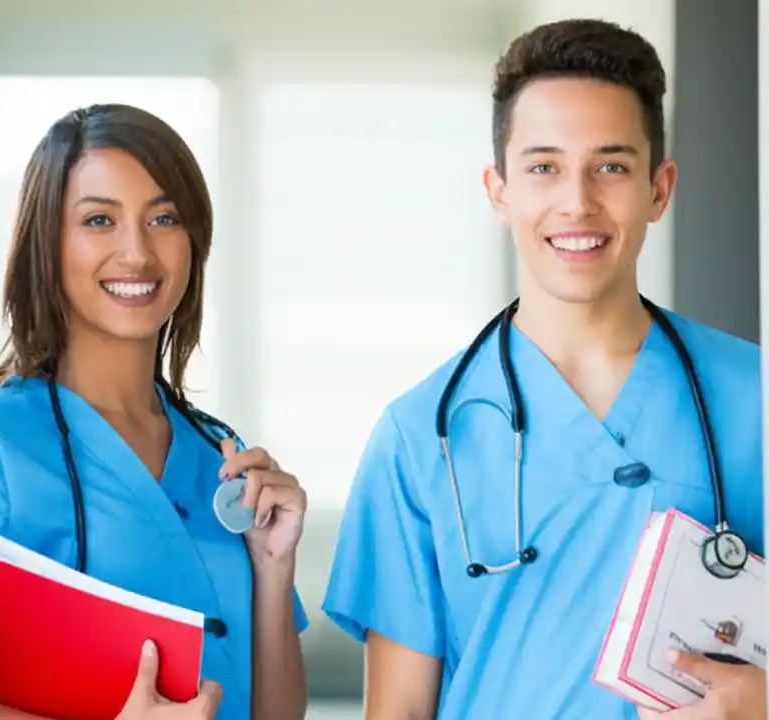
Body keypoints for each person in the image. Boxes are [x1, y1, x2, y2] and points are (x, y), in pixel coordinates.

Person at [322, 18, 765, 719]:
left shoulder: (752, 400)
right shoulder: (418, 436)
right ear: (499, 191)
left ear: (659, 188)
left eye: (611, 166)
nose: (578, 202)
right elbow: (400, 710)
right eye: (543, 167)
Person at [0, 104, 309, 719]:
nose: (137, 253)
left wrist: (274, 569)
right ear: (48, 242)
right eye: (99, 219)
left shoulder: (220, 455)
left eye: (164, 218)